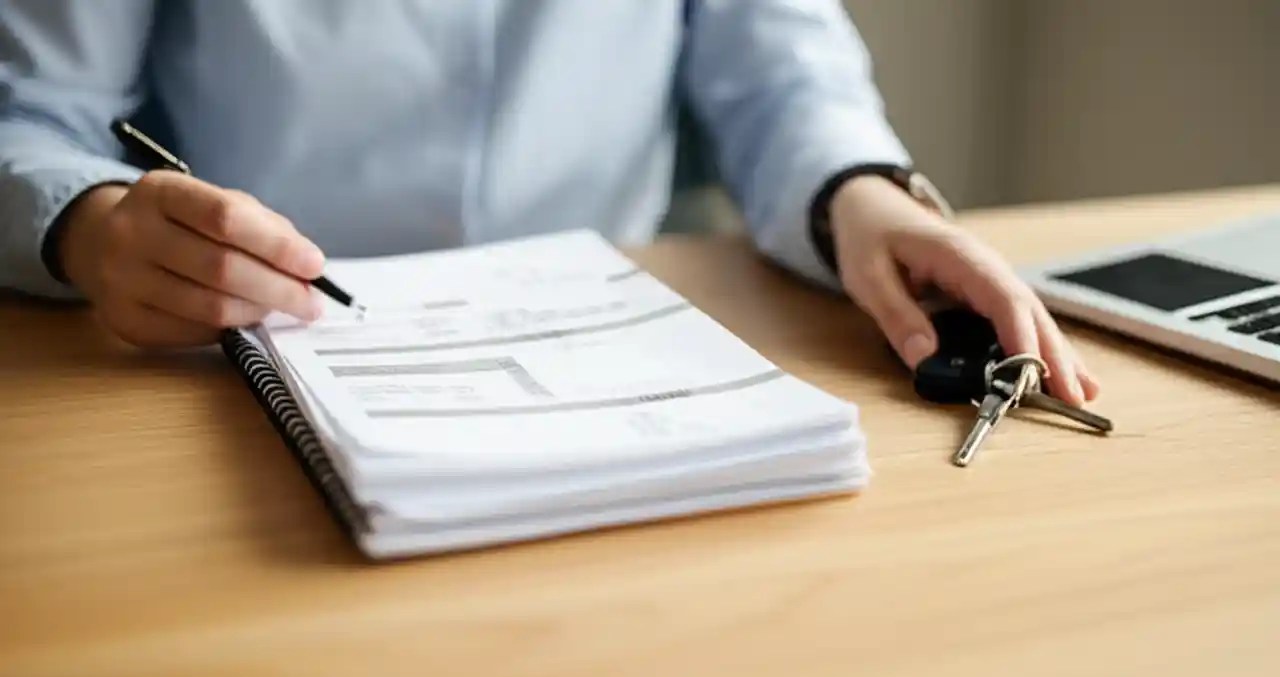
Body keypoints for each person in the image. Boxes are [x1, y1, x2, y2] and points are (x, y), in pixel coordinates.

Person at [0, 1, 1099, 405]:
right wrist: (89, 223)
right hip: (215, 357)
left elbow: (779, 78)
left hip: (600, 352)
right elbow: (30, 108)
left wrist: (858, 195)